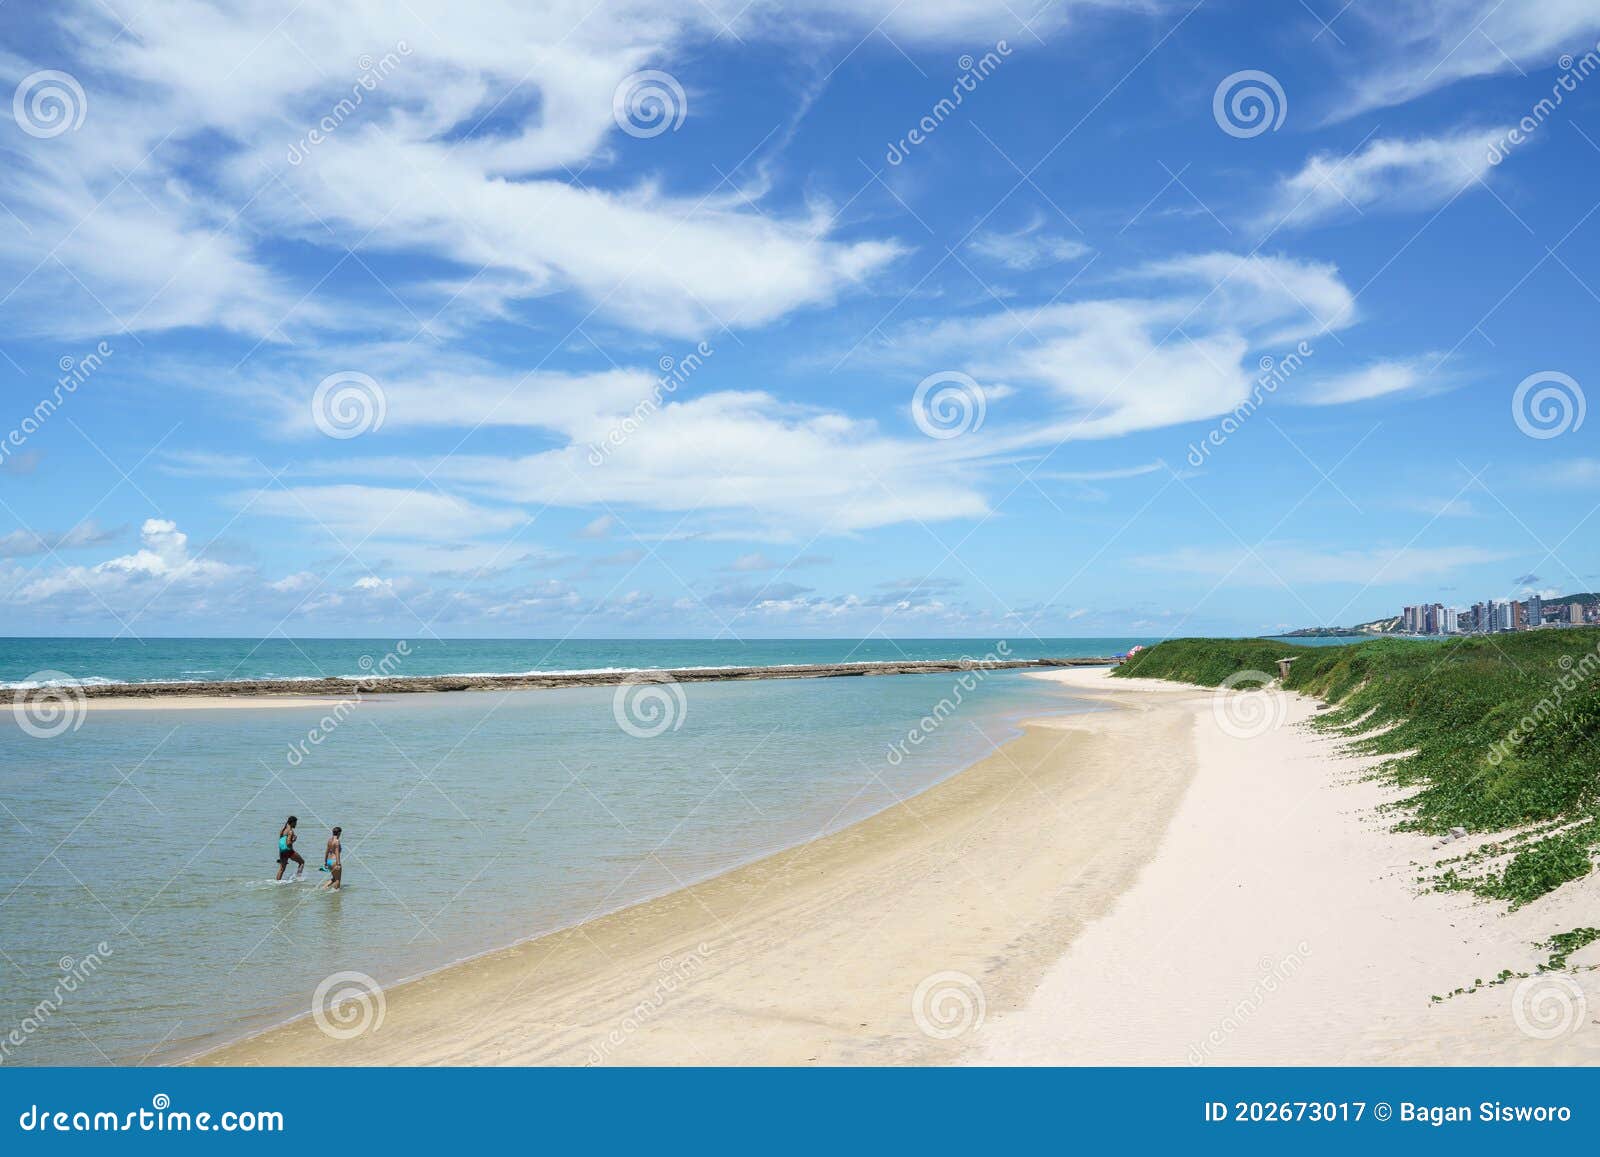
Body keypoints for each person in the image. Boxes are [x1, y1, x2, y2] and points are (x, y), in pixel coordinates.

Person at [275, 815, 304, 881]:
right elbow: (288, 843)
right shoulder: (290, 831)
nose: (296, 825)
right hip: (289, 851)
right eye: (295, 823)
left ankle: (277, 882)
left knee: (281, 869)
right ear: (292, 822)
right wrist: (294, 840)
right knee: (302, 862)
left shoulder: (282, 831)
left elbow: (280, 843)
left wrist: (280, 856)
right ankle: (298, 878)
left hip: (282, 851)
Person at [320, 826, 343, 891]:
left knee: (334, 878)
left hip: (329, 861)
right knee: (338, 880)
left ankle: (323, 888)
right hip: (335, 861)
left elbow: (326, 852)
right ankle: (336, 894)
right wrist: (338, 863)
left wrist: (325, 862)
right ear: (339, 833)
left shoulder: (329, 840)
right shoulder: (337, 841)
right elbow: (337, 853)